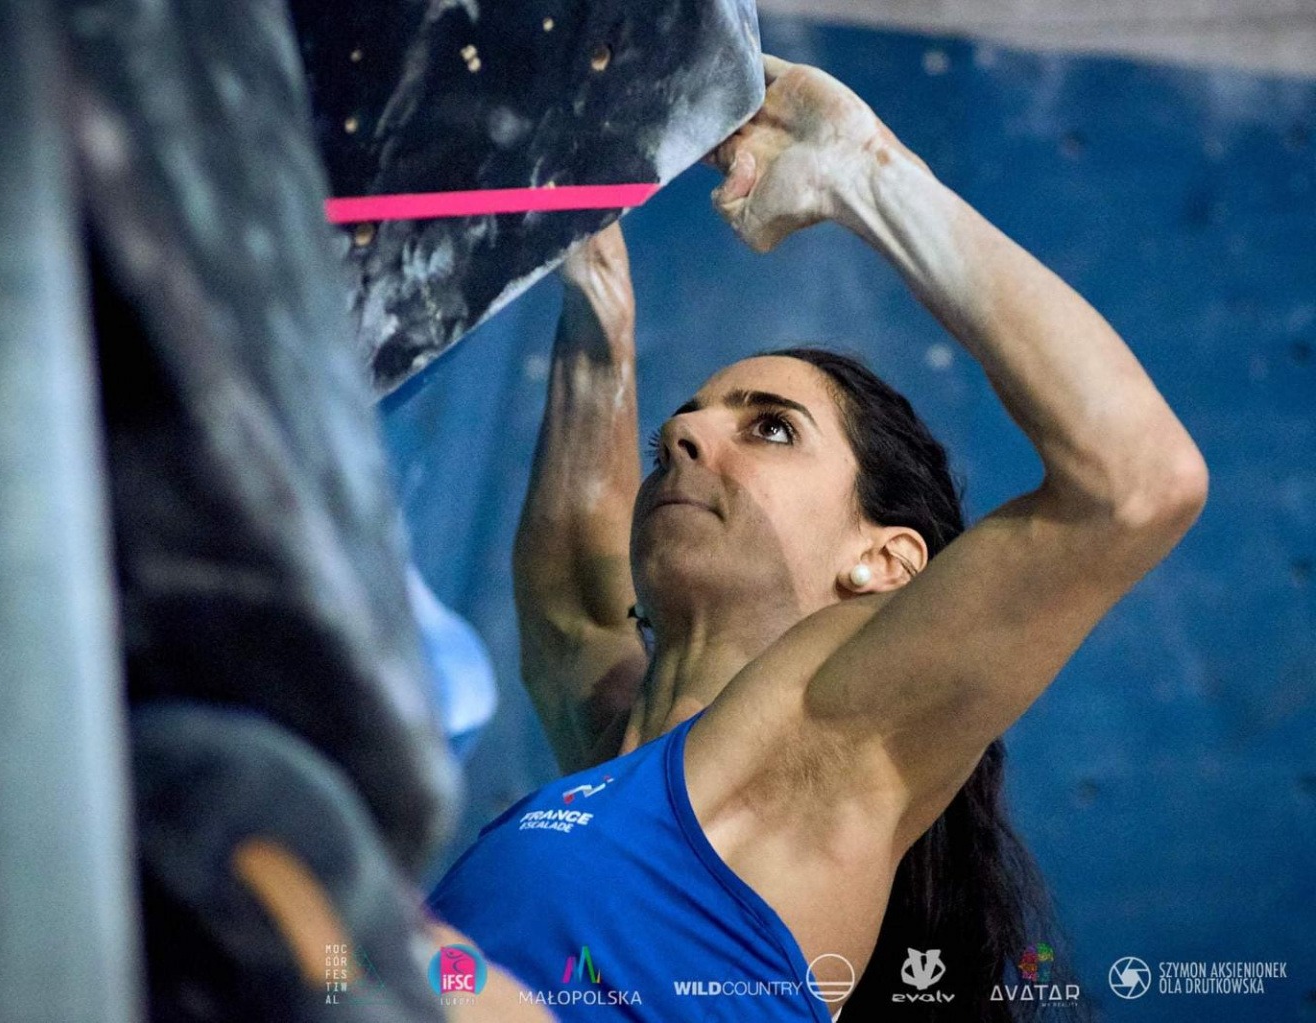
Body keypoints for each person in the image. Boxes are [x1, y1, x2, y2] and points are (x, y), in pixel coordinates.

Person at [427, 55, 1207, 1021]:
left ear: (884, 562)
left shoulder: (827, 736)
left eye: (771, 428)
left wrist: (866, 173)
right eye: (684, 423)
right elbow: (578, 599)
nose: (684, 436)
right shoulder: (622, 762)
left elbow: (1137, 480)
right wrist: (590, 268)